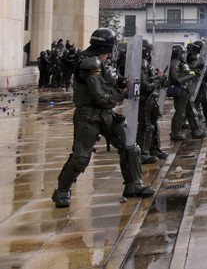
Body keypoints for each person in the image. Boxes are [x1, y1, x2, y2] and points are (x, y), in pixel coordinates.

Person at [51, 28, 155, 208]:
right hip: (89, 116)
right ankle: (62, 190)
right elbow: (101, 97)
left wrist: (125, 82)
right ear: (107, 47)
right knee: (81, 158)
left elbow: (115, 79)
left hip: (107, 115)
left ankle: (133, 184)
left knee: (130, 147)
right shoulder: (90, 65)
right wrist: (123, 94)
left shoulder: (104, 62)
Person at [169, 45, 205, 141]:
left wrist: (194, 72)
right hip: (181, 90)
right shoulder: (175, 63)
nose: (184, 55)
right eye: (182, 53)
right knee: (180, 113)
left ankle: (196, 131)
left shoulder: (181, 63)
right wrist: (191, 75)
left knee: (192, 112)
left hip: (186, 90)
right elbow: (177, 80)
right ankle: (175, 132)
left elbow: (188, 73)